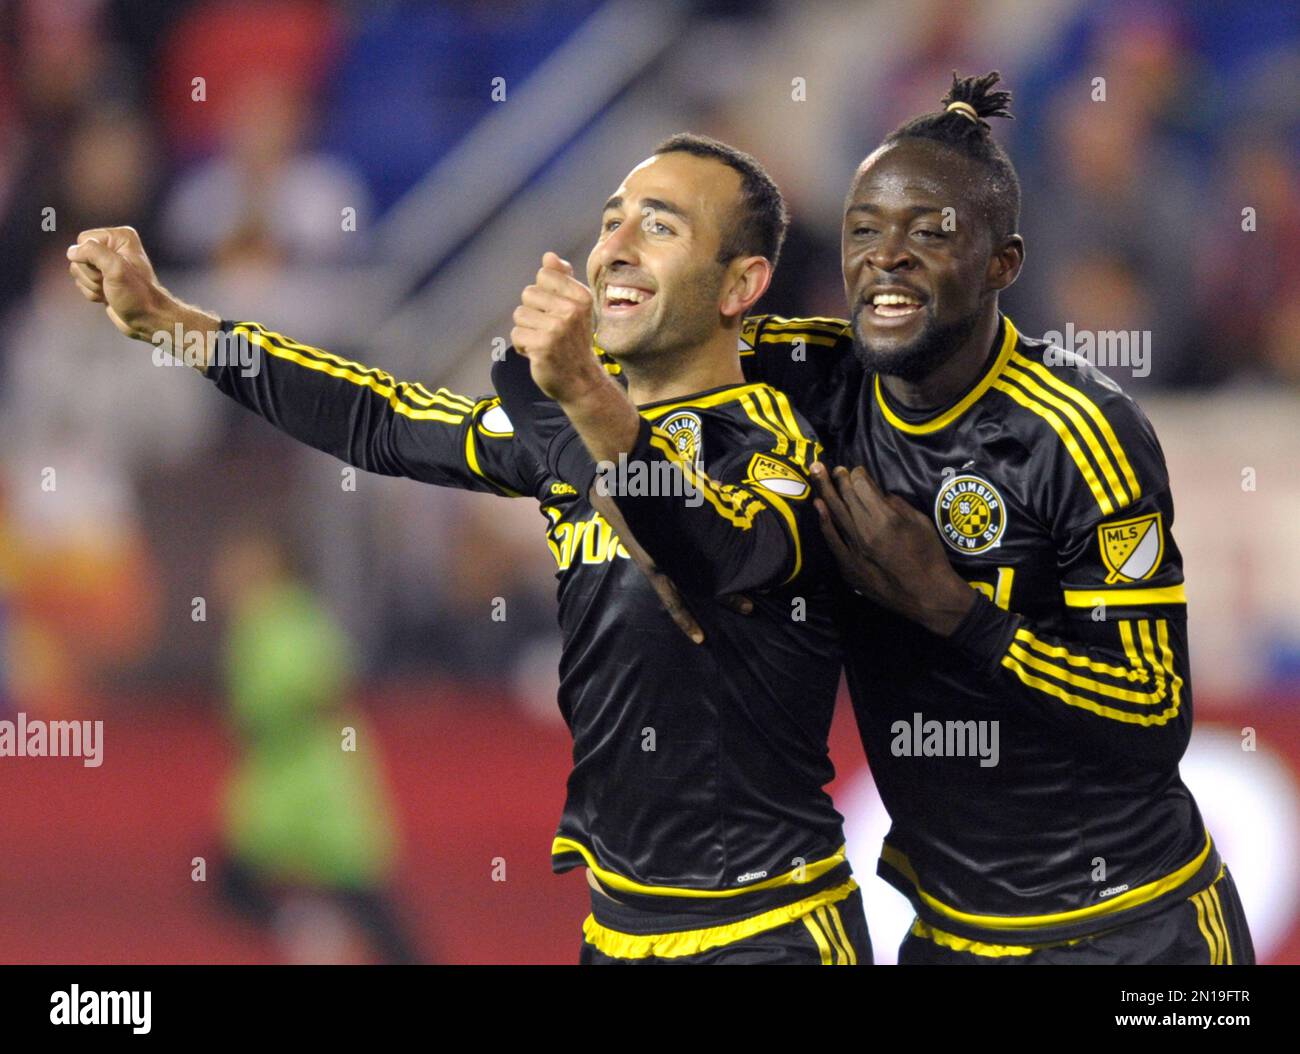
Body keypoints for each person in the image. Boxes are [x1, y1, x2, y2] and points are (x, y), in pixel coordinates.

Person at [66, 134, 870, 965]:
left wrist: (584, 394)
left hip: (772, 928)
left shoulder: (778, 447)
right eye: (611, 220)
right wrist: (175, 324)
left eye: (660, 228)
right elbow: (377, 418)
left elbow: (709, 553)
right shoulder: (568, 436)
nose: (617, 249)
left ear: (742, 283)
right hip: (619, 932)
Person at [747, 72, 1253, 964]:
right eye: (865, 229)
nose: (886, 257)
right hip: (954, 934)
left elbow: (1154, 711)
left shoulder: (1080, 434)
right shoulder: (815, 381)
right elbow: (647, 365)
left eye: (930, 232)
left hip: (1137, 931)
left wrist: (955, 611)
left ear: (1003, 264)